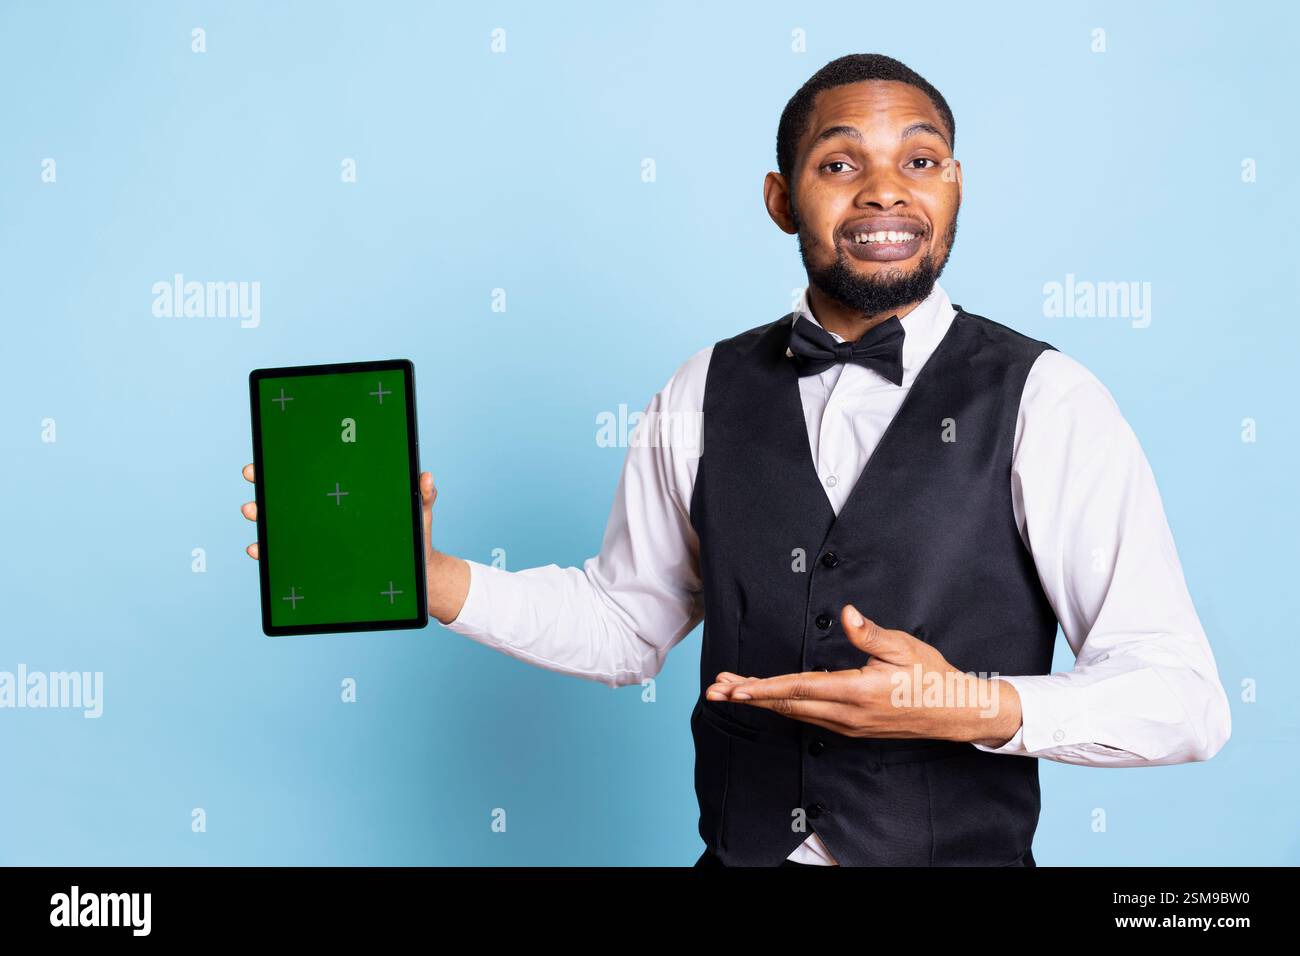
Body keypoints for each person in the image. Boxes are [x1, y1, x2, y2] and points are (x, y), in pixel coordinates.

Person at [240, 53, 1231, 867]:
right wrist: (430, 577)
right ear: (778, 197)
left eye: (921, 161)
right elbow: (626, 623)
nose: (886, 188)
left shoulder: (1050, 399)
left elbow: (1183, 699)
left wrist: (963, 701)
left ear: (956, 184)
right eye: (840, 164)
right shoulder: (696, 388)